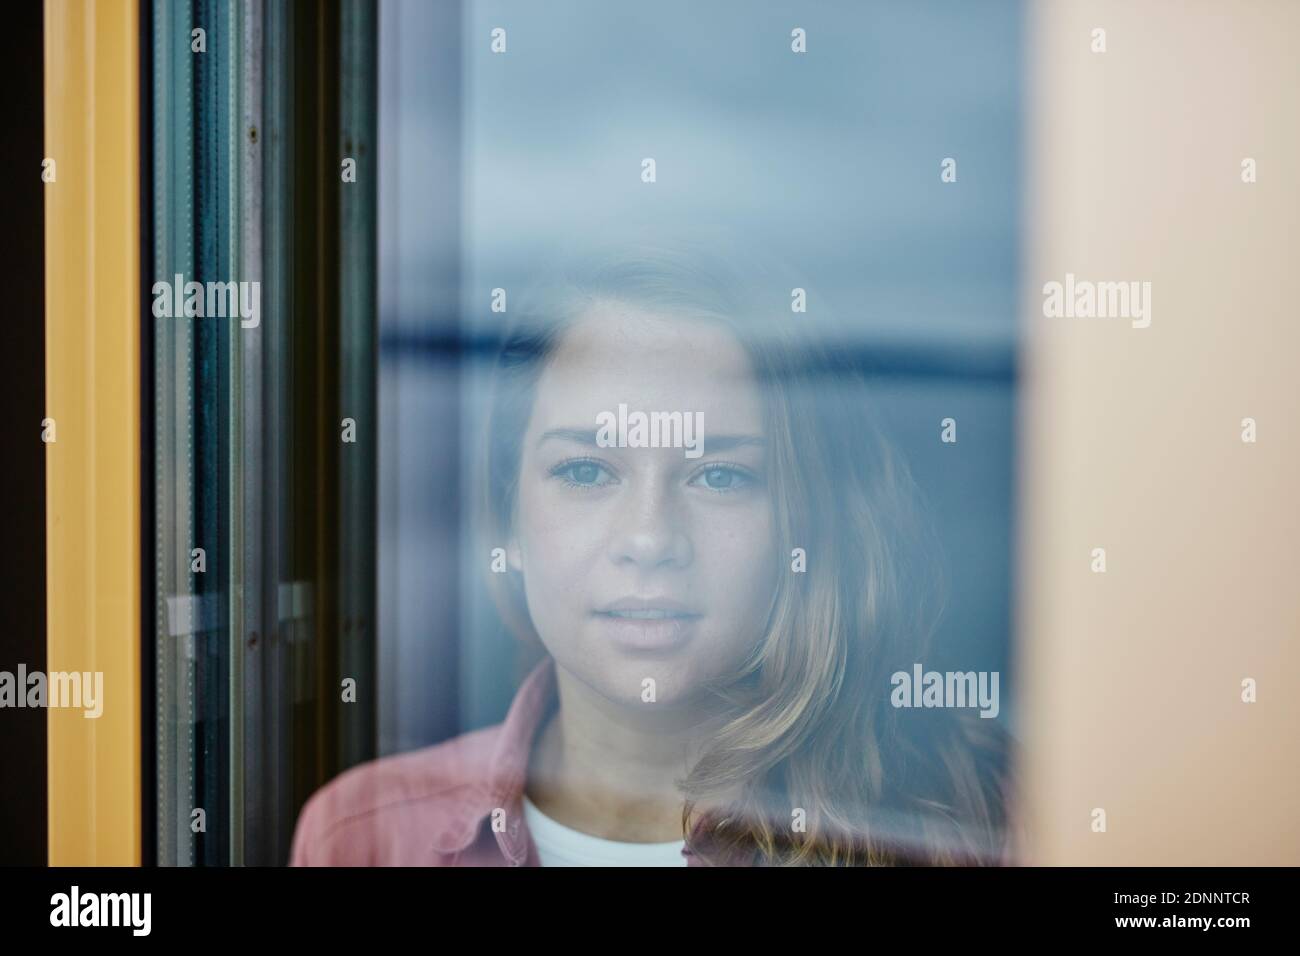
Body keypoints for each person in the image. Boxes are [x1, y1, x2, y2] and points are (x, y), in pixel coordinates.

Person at [290, 237, 1015, 866]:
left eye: (720, 476)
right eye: (586, 471)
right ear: (510, 515)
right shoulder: (362, 837)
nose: (649, 540)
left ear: (804, 524)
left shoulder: (982, 818)